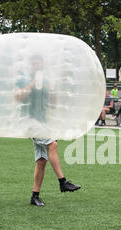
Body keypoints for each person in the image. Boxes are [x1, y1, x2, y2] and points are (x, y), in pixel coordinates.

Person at [14, 54, 81, 207]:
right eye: (34, 64)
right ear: (30, 65)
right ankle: (63, 182)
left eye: (39, 64)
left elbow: (53, 104)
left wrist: (53, 92)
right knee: (53, 145)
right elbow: (17, 97)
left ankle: (35, 196)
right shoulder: (23, 79)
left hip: (42, 123)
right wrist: (32, 83)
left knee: (42, 161)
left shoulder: (46, 81)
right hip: (29, 122)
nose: (36, 66)